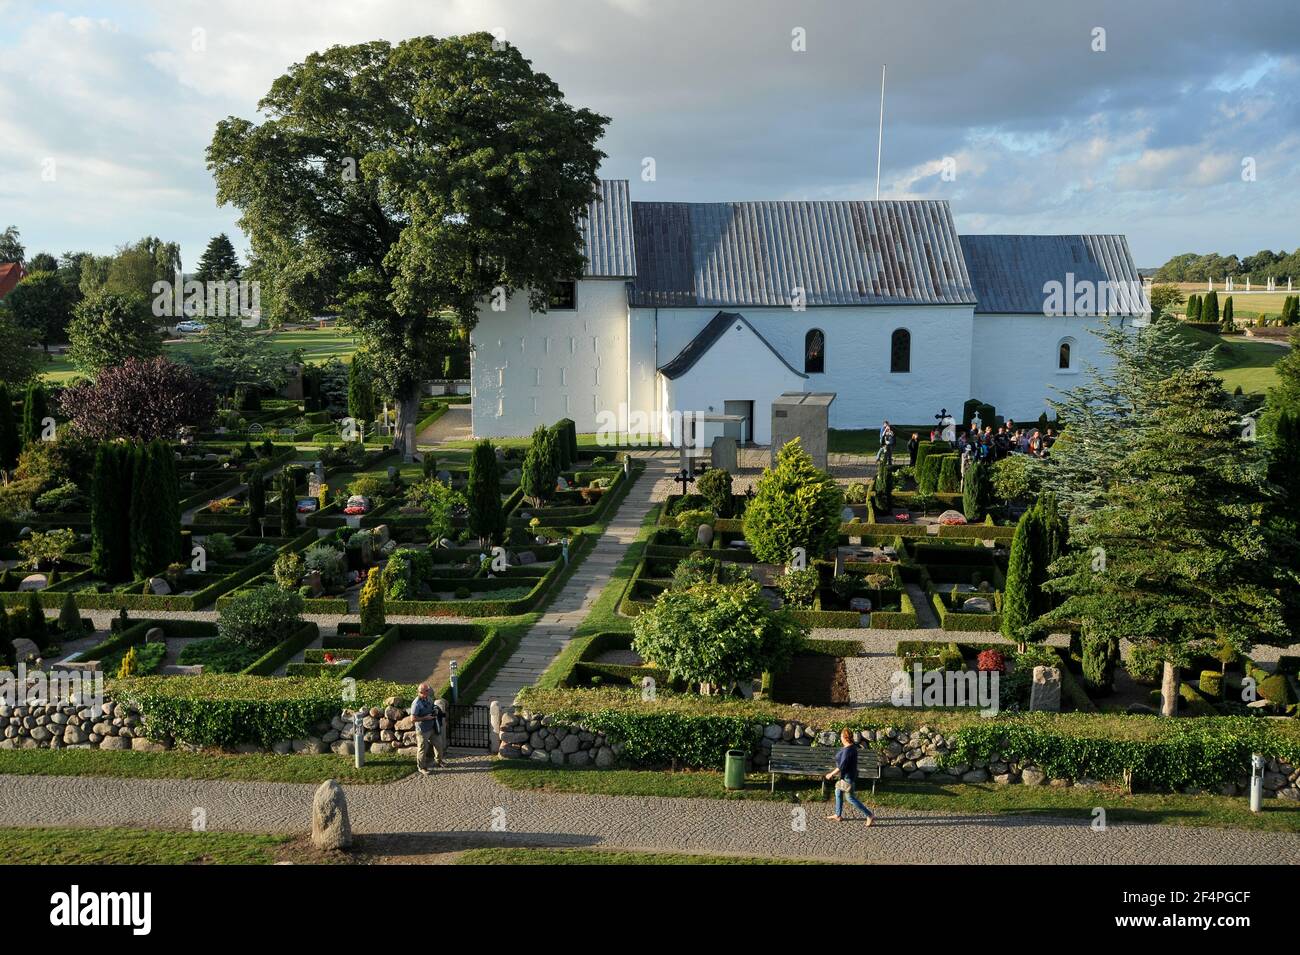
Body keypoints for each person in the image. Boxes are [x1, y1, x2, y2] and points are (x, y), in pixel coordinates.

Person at [825, 728, 875, 824]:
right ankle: (838, 814)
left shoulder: (848, 750)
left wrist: (830, 774)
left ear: (844, 737)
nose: (840, 738)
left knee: (850, 798)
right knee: (838, 792)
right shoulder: (850, 747)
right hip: (845, 776)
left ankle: (870, 815)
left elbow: (841, 766)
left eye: (841, 736)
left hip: (848, 777)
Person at [411, 682, 446, 774]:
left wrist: (435, 710)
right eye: (427, 690)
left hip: (432, 727)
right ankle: (421, 767)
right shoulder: (416, 704)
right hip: (422, 730)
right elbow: (413, 719)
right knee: (422, 749)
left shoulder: (428, 698)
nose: (429, 691)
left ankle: (439, 761)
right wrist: (425, 718)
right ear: (421, 692)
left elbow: (432, 707)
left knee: (439, 744)